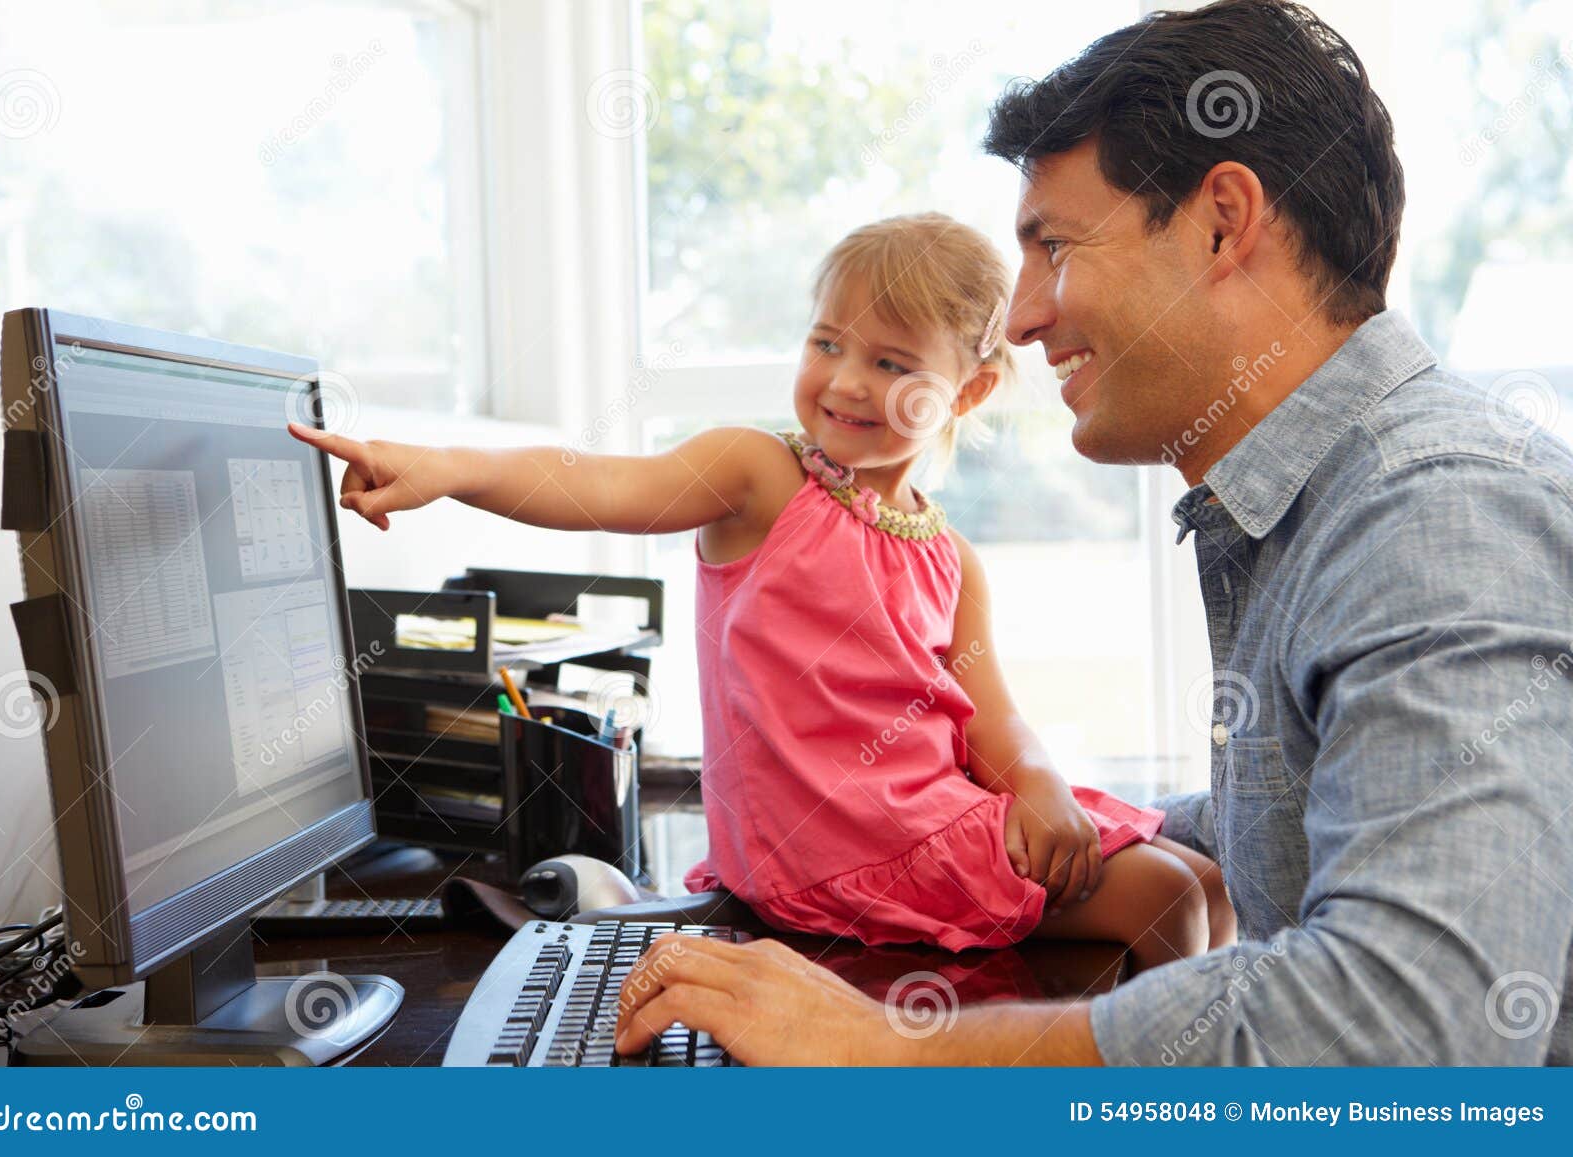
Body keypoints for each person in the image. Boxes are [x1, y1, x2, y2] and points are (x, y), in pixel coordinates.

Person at [613, 0, 1573, 1066]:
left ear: (1222, 222)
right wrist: (1008, 816)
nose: (1021, 317)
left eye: (1054, 249)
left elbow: (1407, 1033)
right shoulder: (1342, 496)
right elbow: (1325, 801)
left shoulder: (1432, 515)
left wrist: (885, 1047)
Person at [289, 211, 1232, 969]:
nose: (846, 381)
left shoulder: (950, 556)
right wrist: (448, 467)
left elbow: (993, 718)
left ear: (970, 391)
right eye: (828, 342)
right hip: (839, 848)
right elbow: (597, 484)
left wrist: (1035, 778)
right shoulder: (759, 478)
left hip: (922, 815)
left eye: (894, 362)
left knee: (1213, 884)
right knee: (1175, 896)